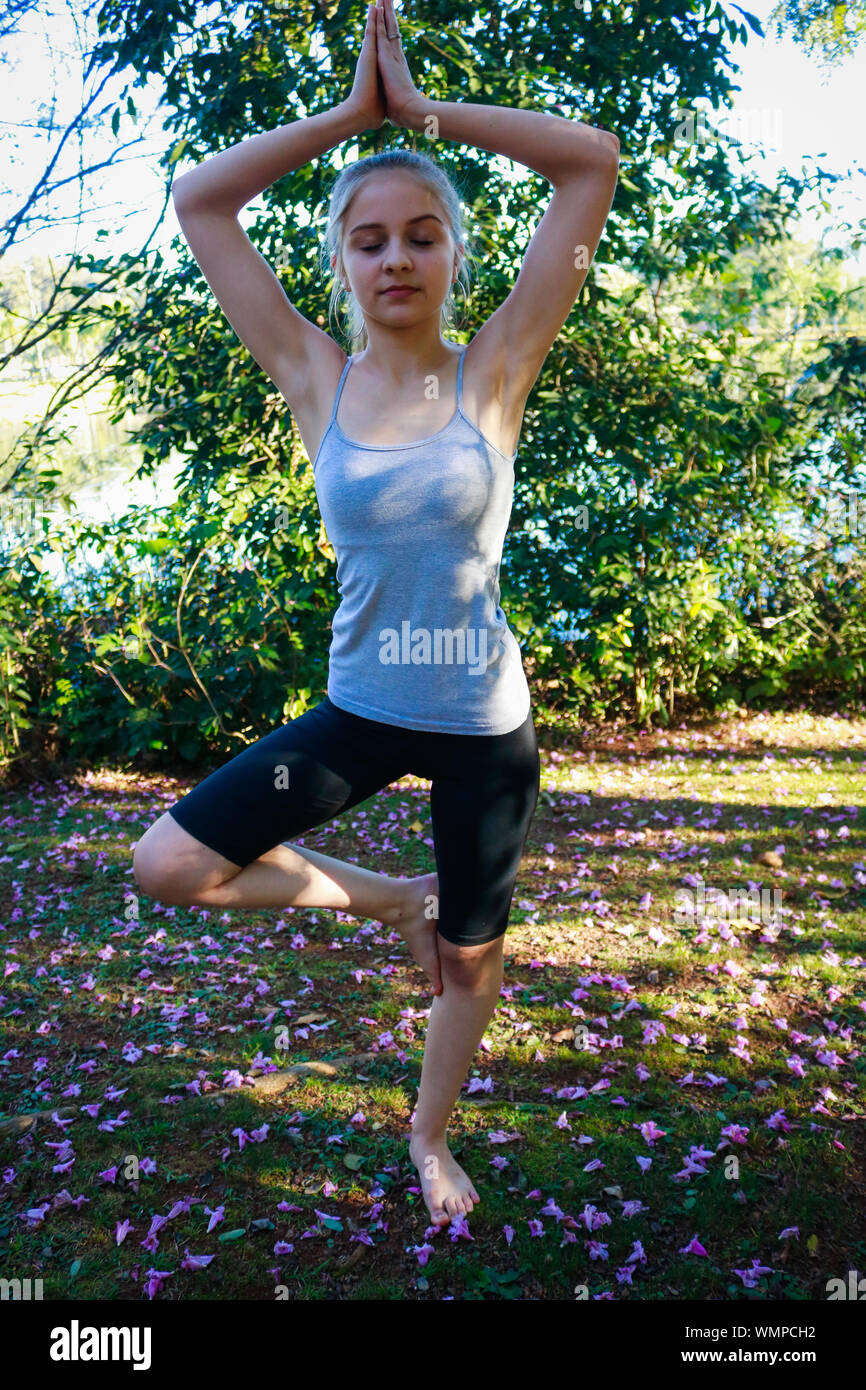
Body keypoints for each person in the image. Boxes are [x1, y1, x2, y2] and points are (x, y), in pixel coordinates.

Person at [132, 0, 619, 1229]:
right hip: (359, 714)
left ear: (450, 251)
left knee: (470, 959)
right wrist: (354, 117)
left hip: (480, 724)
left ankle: (427, 1135)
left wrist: (426, 115)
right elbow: (200, 200)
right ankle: (384, 896)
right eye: (367, 240)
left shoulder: (499, 363)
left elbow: (588, 163)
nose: (394, 257)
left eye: (417, 235)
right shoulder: (311, 373)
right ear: (342, 260)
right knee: (170, 864)